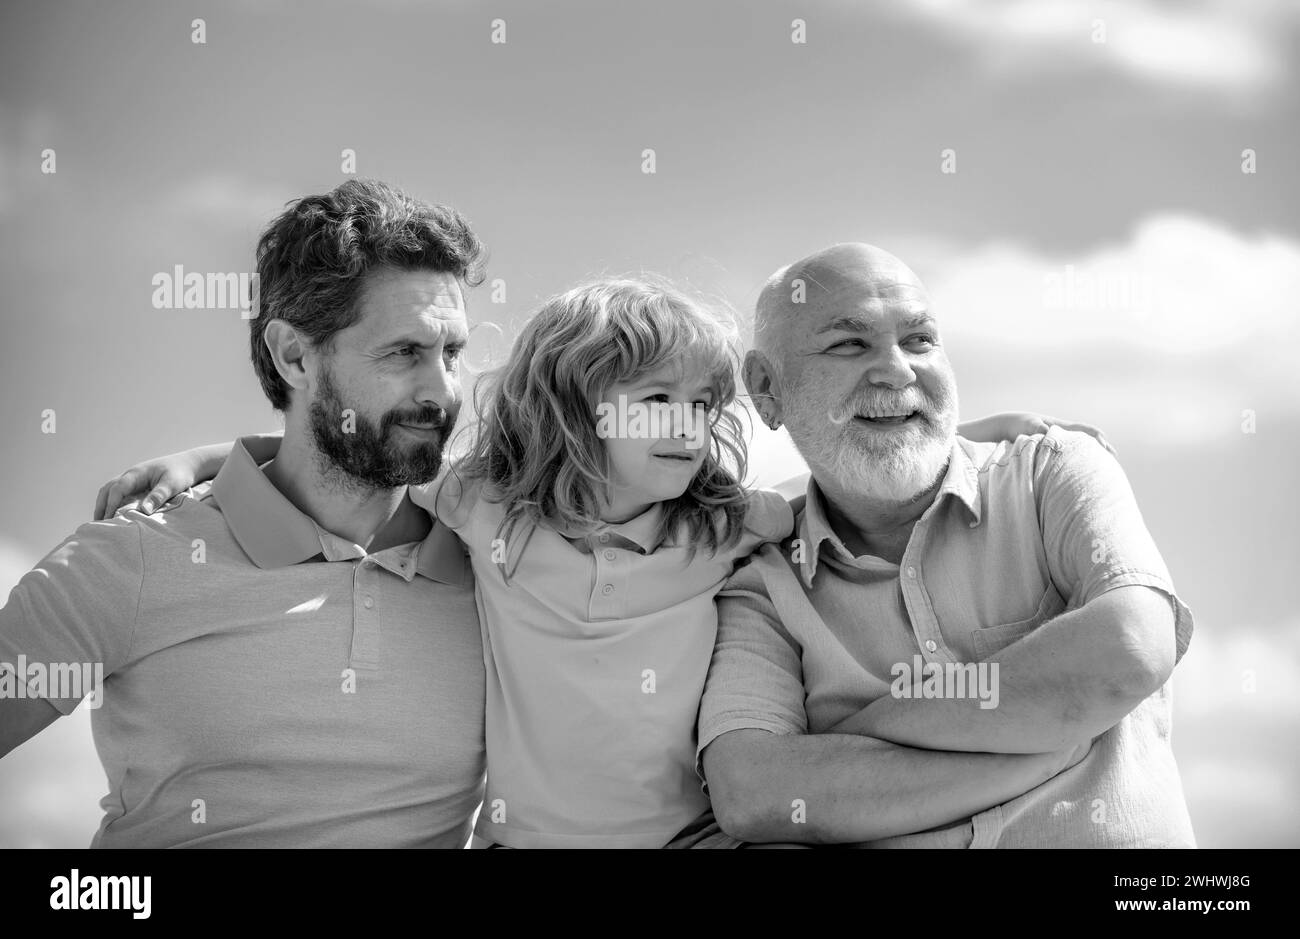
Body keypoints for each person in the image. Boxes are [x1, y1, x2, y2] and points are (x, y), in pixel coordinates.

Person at [87, 273, 1102, 847]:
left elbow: (866, 476)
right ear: (574, 405)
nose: (690, 429)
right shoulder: (487, 507)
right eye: (658, 402)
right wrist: (214, 457)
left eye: (705, 408)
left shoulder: (728, 524)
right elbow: (346, 470)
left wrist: (990, 436)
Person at [0, 179, 489, 846]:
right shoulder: (135, 554)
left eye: (452, 353)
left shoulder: (495, 566)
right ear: (293, 355)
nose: (442, 390)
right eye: (405, 352)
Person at [694, 243, 1196, 848]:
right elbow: (755, 793)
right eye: (849, 344)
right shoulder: (763, 580)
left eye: (920, 340)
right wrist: (1026, 749)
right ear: (766, 388)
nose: (897, 370)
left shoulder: (1053, 472)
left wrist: (864, 733)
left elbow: (1129, 651)